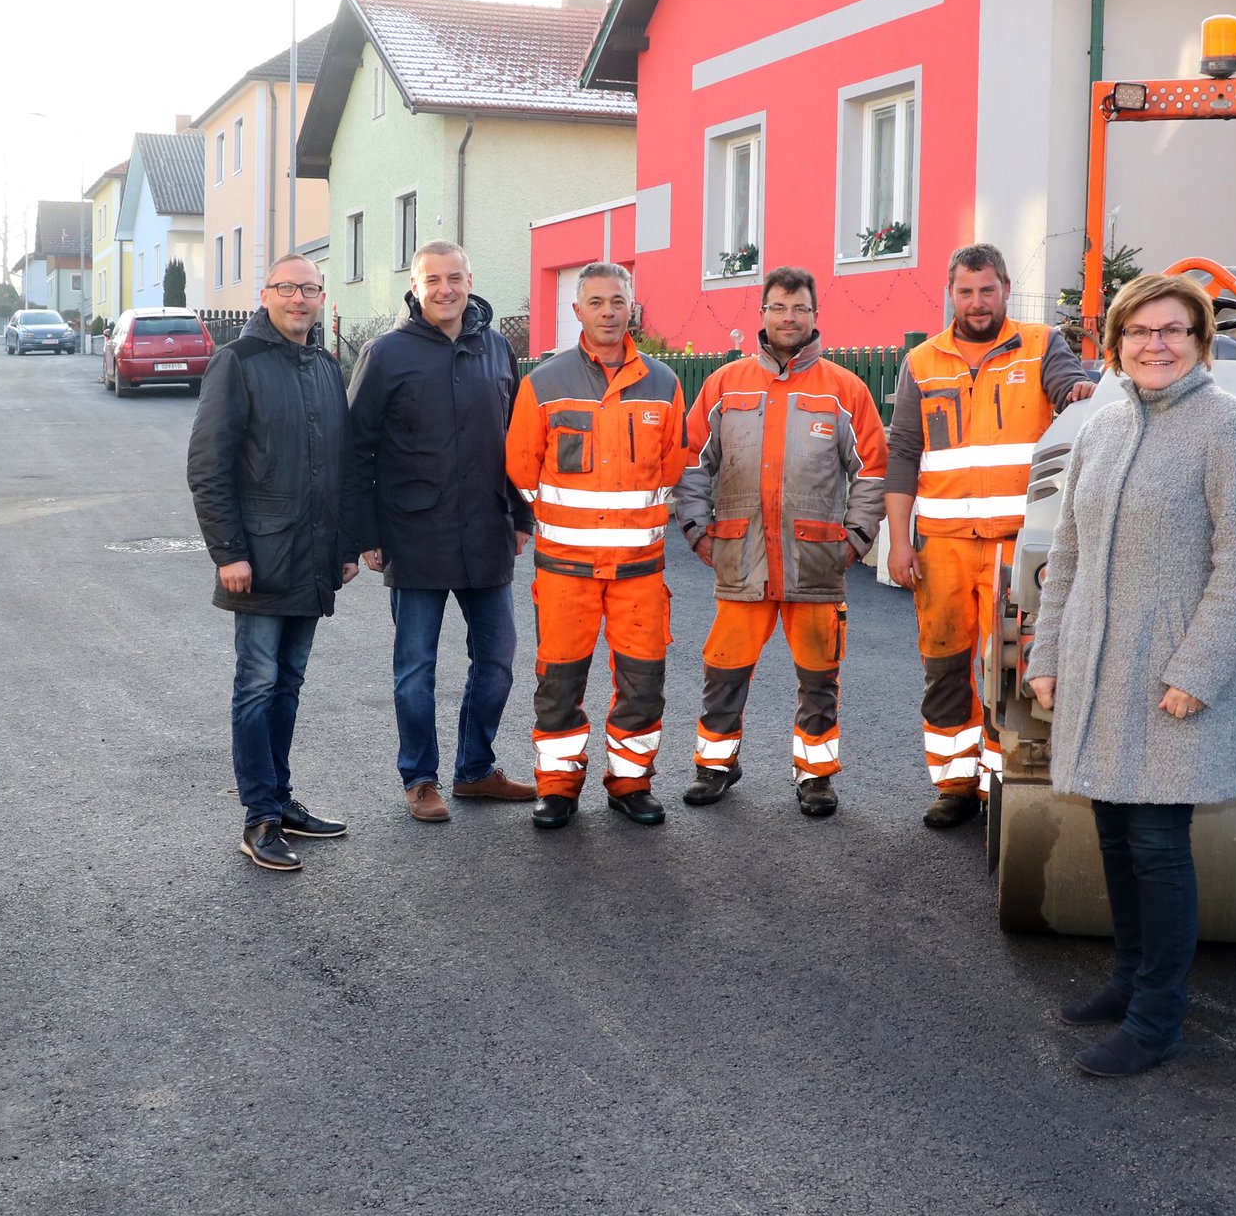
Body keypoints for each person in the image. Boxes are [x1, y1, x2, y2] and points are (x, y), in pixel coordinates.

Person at [1024, 273, 1236, 1077]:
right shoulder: (1099, 429)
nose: (1155, 344)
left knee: (1159, 845)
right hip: (1097, 667)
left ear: (1201, 340)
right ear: (1116, 344)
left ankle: (1158, 1017)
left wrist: (1198, 671)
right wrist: (1048, 655)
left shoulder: (1229, 428)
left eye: (1172, 330)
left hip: (1169, 674)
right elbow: (1066, 555)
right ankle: (1129, 980)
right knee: (1114, 833)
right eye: (1139, 332)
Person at [883, 244, 1095, 829]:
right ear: (950, 294)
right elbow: (903, 452)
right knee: (946, 666)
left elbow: (1068, 385)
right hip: (943, 544)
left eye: (987, 290)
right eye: (965, 291)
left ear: (1005, 289)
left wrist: (1077, 391)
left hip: (1017, 546)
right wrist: (899, 542)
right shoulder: (922, 361)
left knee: (1017, 668)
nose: (977, 302)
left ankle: (1008, 782)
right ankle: (955, 784)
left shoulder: (1041, 343)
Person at [674, 266, 887, 816]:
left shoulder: (845, 389)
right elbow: (694, 461)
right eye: (778, 307)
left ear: (815, 316)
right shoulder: (726, 384)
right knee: (724, 667)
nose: (788, 318)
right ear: (762, 313)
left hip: (816, 562)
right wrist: (697, 531)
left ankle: (815, 774)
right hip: (741, 559)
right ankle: (715, 765)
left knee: (819, 675)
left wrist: (856, 539)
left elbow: (872, 472)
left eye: (799, 309)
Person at [344, 240, 536, 824]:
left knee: (498, 659)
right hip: (413, 532)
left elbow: (518, 442)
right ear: (415, 286)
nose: (445, 289)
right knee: (415, 669)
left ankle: (475, 770)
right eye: (433, 280)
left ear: (470, 280)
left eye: (454, 278)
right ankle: (421, 779)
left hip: (487, 531)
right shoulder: (385, 354)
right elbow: (357, 452)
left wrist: (522, 515)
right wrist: (366, 532)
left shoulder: (497, 348)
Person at [186, 256, 358, 872]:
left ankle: (281, 801)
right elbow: (208, 468)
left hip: (312, 557)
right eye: (287, 289)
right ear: (266, 295)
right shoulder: (238, 362)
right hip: (257, 558)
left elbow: (339, 467)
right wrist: (228, 553)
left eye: (310, 289)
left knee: (288, 684)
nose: (299, 299)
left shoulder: (325, 366)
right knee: (257, 686)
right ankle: (258, 818)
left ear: (319, 298)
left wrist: (344, 549)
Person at [505, 263, 688, 829]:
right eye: (596, 301)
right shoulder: (544, 382)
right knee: (559, 681)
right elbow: (521, 466)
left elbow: (674, 463)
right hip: (565, 570)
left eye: (617, 301)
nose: (608, 311)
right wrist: (568, 520)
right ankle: (557, 788)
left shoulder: (664, 383)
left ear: (631, 308)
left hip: (639, 571)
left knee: (642, 683)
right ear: (577, 310)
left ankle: (630, 784)